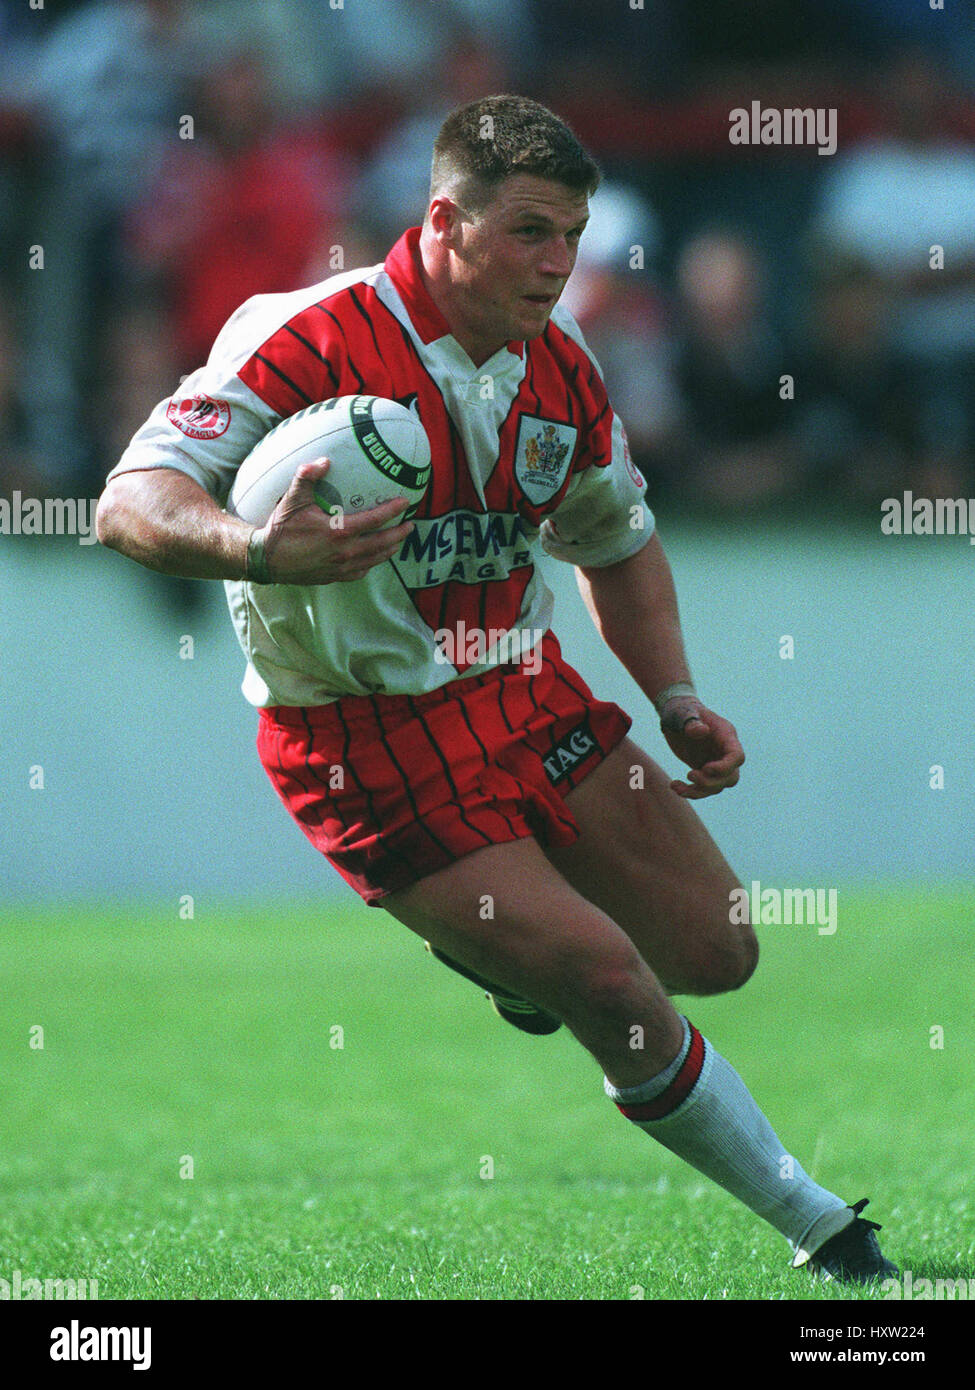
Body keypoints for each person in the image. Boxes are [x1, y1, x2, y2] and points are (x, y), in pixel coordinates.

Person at [96, 94, 896, 1285]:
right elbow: (127, 502)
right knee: (607, 975)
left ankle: (503, 958)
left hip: (523, 689)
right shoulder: (308, 335)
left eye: (571, 235)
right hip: (359, 730)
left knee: (720, 947)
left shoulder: (559, 368)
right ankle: (819, 1224)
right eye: (529, 232)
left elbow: (613, 541)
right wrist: (260, 550)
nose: (558, 263)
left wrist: (673, 694)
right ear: (443, 221)